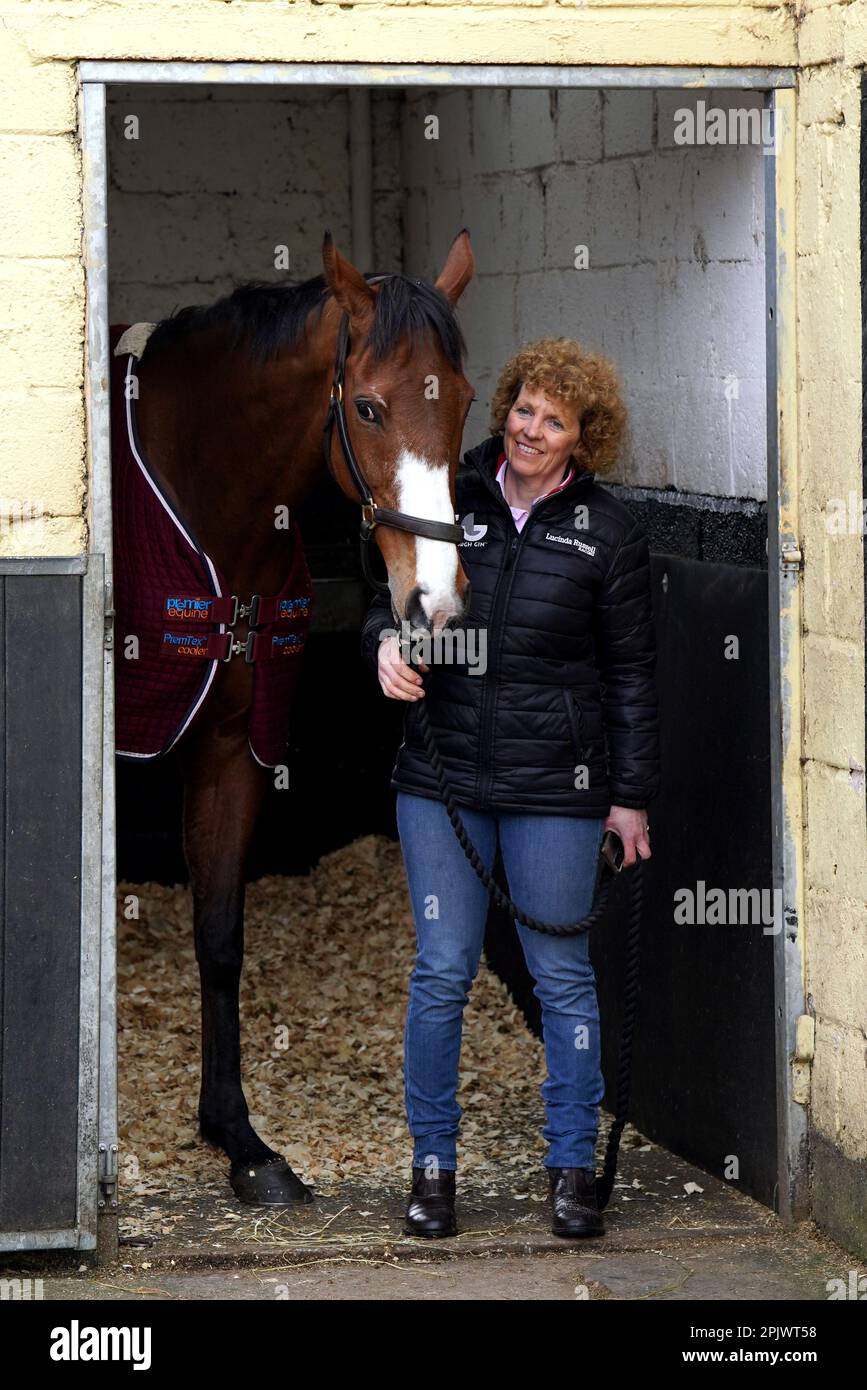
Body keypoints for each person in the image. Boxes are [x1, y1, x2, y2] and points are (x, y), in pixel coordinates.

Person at [359, 336, 660, 1239]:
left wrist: (629, 794)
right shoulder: (451, 493)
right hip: (441, 775)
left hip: (554, 791)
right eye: (524, 409)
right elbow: (393, 592)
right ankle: (433, 1166)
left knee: (561, 976)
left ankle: (570, 1169)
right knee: (441, 972)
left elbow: (632, 676)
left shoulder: (608, 533)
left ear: (582, 437)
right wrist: (381, 643)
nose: (532, 429)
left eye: (554, 419)